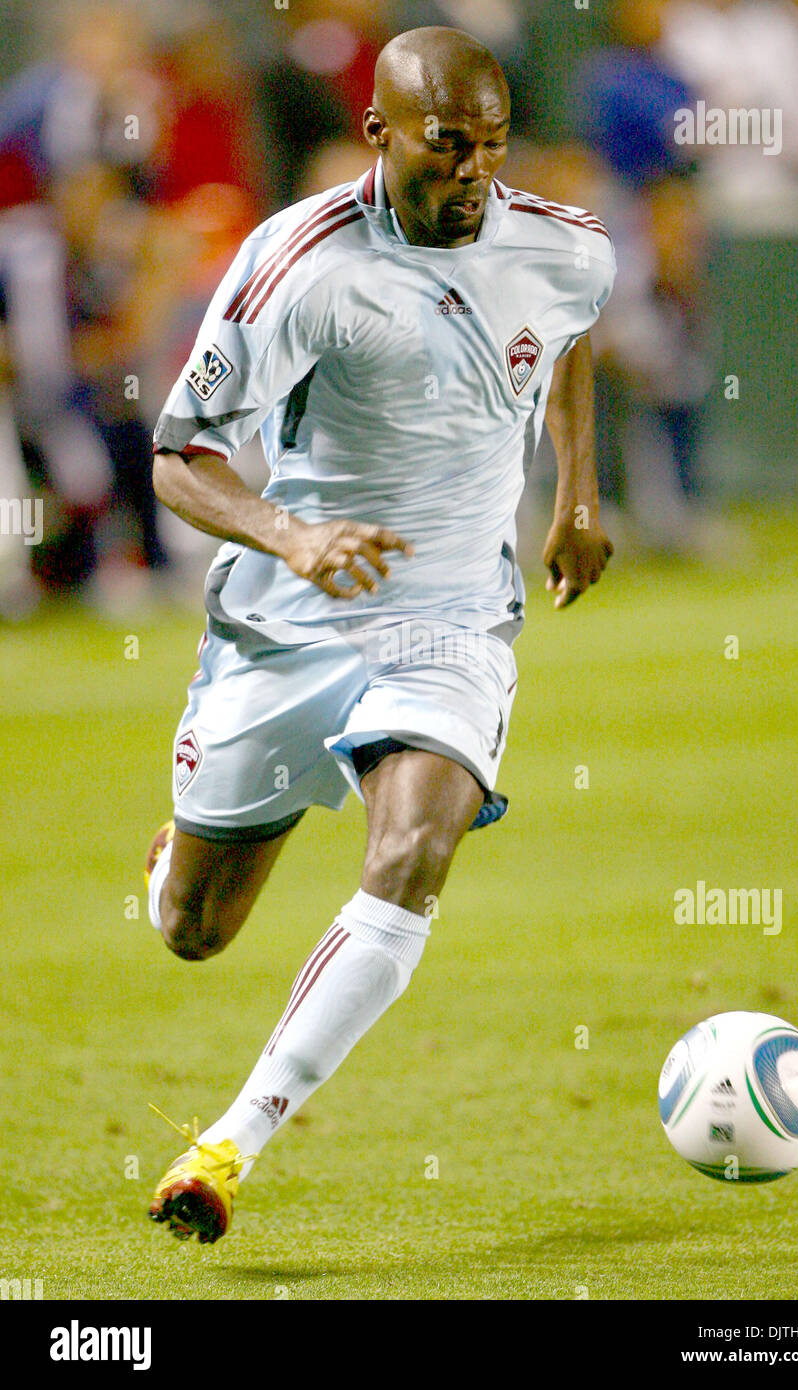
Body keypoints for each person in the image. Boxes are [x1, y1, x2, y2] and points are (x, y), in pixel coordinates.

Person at [145, 25, 615, 1244]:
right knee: (193, 930)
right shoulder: (297, 261)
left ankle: (225, 1147)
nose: (470, 175)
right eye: (445, 148)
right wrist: (290, 537)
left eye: (490, 151)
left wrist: (574, 498)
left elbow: (562, 342)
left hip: (452, 617)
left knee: (413, 847)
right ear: (380, 134)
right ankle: (179, 849)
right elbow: (177, 457)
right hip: (287, 627)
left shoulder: (561, 246)